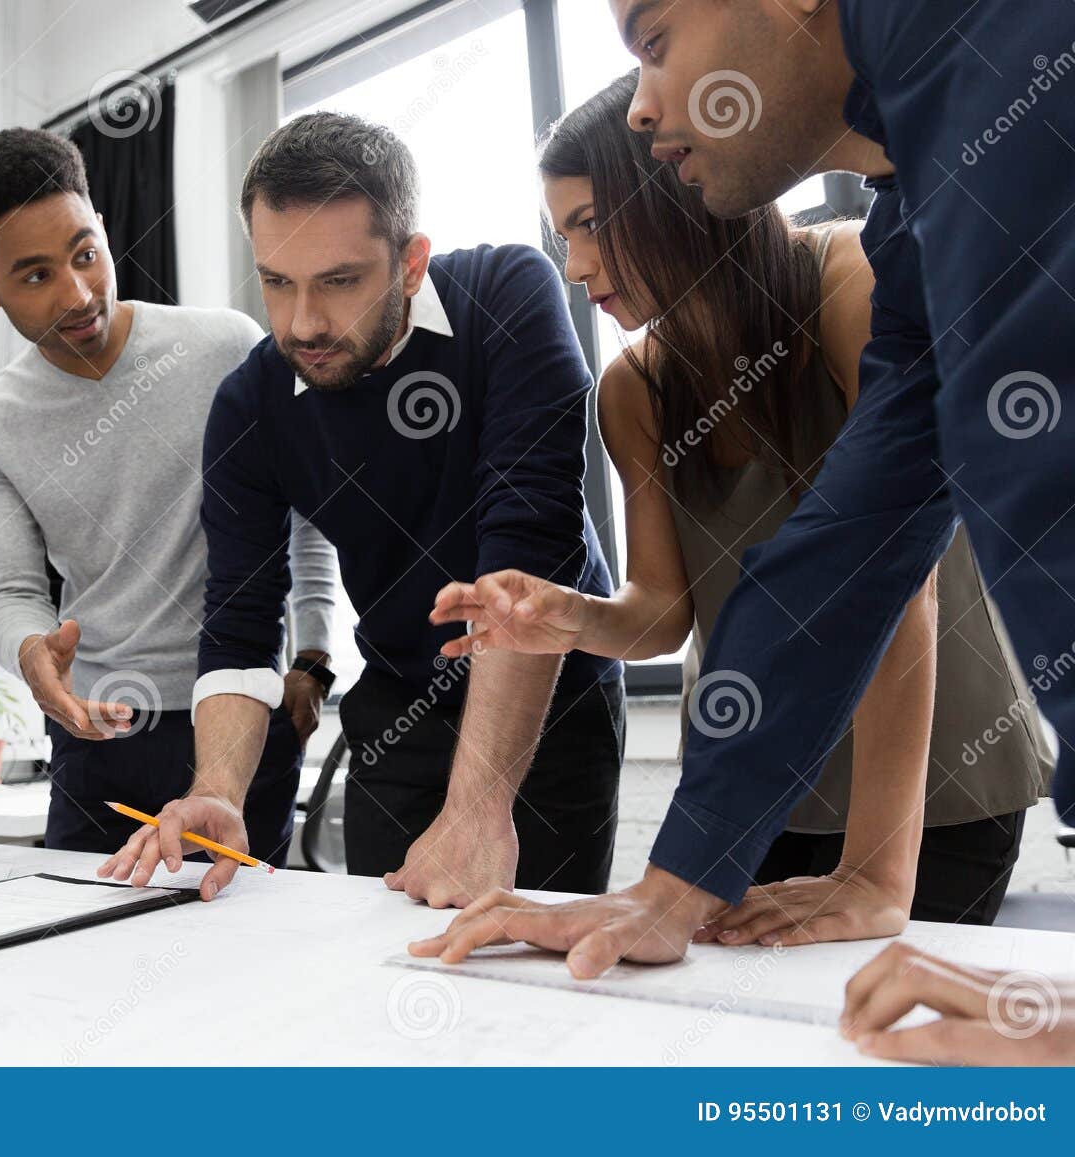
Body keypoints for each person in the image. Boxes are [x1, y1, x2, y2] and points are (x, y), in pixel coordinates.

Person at [417, 0, 1075, 1066]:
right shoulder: (910, 216)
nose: (639, 108)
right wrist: (679, 880)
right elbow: (845, 551)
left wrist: (874, 869)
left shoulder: (994, 56)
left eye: (654, 39)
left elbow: (1043, 479)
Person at [511, 71, 1045, 941]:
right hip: (759, 778)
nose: (575, 267)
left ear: (669, 189)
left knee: (872, 1049)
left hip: (931, 786)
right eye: (560, 235)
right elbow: (659, 615)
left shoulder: (852, 281)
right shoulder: (632, 390)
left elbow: (891, 575)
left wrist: (875, 871)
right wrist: (567, 616)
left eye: (590, 225)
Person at [101, 111, 625, 905]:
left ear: (411, 262)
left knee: (535, 974)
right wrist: (219, 789)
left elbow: (530, 546)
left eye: (339, 281)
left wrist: (480, 806)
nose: (303, 322)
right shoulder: (251, 404)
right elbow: (240, 620)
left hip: (549, 699)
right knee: (383, 971)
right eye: (277, 282)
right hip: (397, 715)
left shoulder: (506, 296)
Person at [0, 128, 336, 861]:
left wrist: (313, 655)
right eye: (34, 276)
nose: (79, 293)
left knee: (249, 951)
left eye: (84, 252)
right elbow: (14, 591)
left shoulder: (225, 346)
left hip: (243, 716)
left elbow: (303, 512)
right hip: (97, 731)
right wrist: (32, 652)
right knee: (76, 953)